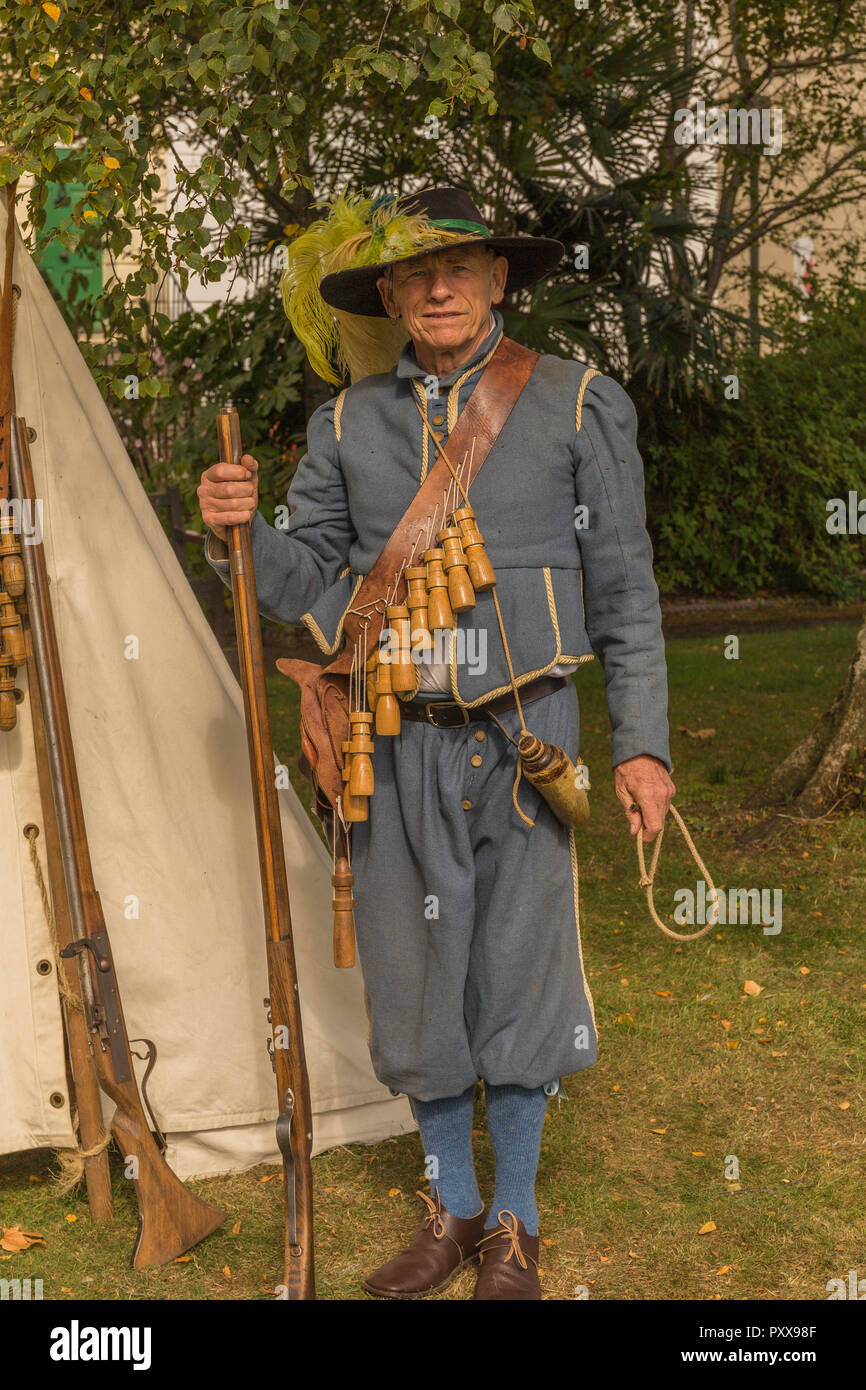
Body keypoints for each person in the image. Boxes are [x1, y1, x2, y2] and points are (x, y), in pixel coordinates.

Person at [197, 186, 675, 1300]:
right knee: (415, 986)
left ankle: (515, 1224)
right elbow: (311, 582)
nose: (441, 287)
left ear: (499, 279)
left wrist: (643, 744)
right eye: (416, 274)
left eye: (461, 267)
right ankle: (452, 1205)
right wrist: (240, 531)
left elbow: (625, 588)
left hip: (527, 739)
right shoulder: (348, 423)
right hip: (393, 742)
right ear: (393, 295)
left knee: (519, 971)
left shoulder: (573, 403)